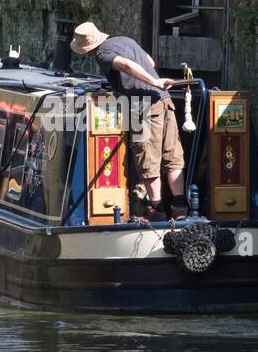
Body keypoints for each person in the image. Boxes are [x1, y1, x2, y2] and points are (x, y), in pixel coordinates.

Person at [70, 21, 188, 219]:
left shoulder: (102, 54)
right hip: (164, 101)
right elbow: (148, 61)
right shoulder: (125, 40)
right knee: (172, 156)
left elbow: (125, 65)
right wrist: (153, 83)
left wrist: (153, 81)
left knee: (147, 158)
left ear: (87, 49)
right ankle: (180, 207)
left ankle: (156, 210)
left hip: (143, 107)